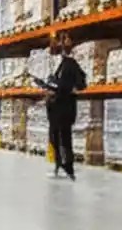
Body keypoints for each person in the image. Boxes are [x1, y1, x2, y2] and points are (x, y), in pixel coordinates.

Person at [32, 33, 86, 180]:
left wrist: (66, 89)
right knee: (53, 137)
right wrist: (47, 87)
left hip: (65, 108)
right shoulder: (56, 67)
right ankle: (58, 164)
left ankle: (69, 168)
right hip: (54, 108)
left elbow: (81, 84)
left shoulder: (71, 64)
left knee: (65, 139)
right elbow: (56, 83)